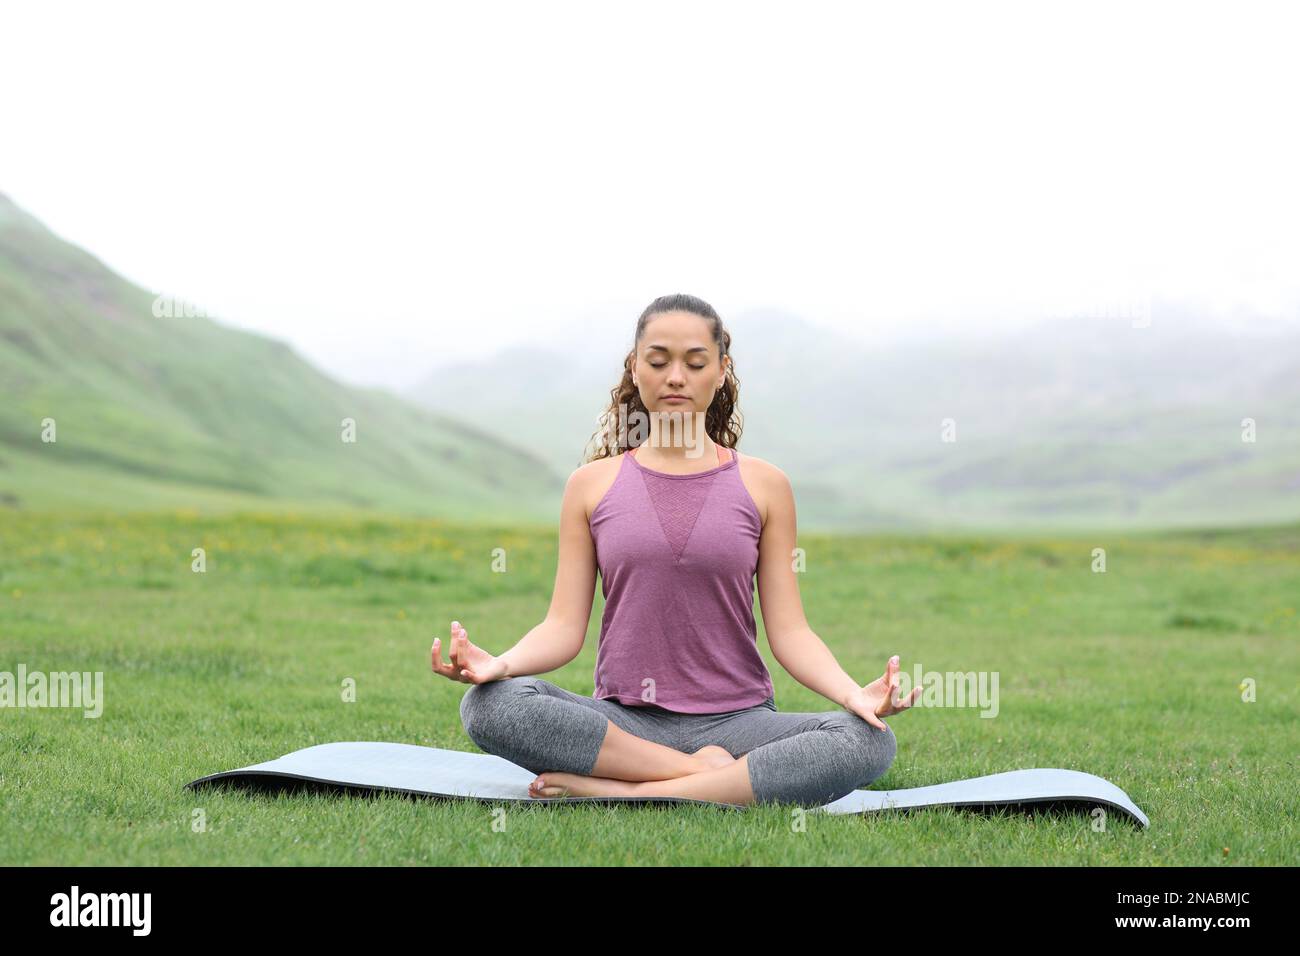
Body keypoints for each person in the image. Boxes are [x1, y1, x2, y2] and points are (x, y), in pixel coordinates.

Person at [431, 293, 919, 807]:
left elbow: (791, 632)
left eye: (695, 362)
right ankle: (700, 779)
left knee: (866, 740)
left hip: (740, 723)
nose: (676, 377)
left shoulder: (766, 486)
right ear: (635, 368)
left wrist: (851, 694)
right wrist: (500, 665)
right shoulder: (590, 486)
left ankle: (616, 791)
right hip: (625, 725)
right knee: (489, 706)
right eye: (659, 361)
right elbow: (562, 628)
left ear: (722, 370)